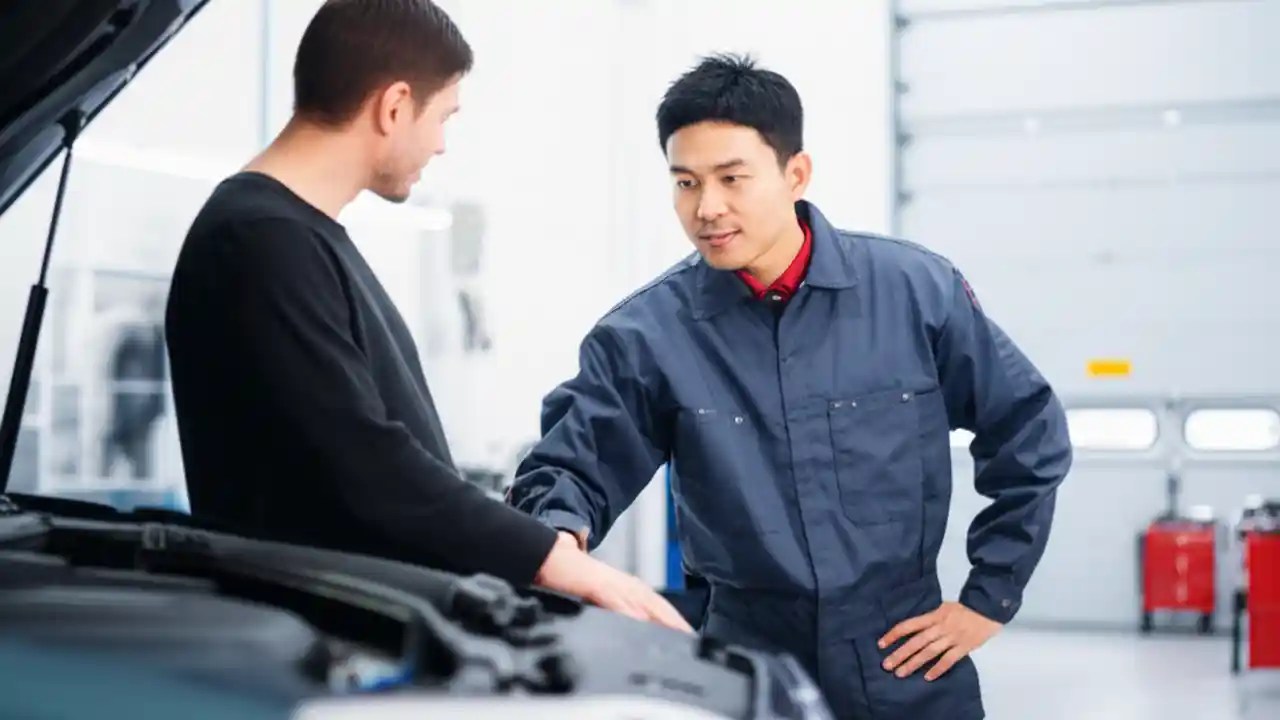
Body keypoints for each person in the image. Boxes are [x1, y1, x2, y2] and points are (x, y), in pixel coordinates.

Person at [508, 53, 1072, 719]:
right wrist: (559, 544)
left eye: (731, 178)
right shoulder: (647, 335)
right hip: (747, 666)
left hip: (906, 661)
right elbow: (573, 466)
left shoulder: (915, 293)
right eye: (685, 182)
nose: (707, 208)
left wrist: (988, 599)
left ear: (795, 174)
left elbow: (1028, 429)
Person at [164, 0, 690, 634]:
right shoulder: (261, 240)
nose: (441, 143)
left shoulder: (297, 236)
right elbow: (365, 465)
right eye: (444, 117)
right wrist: (553, 561)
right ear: (393, 106)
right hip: (312, 641)